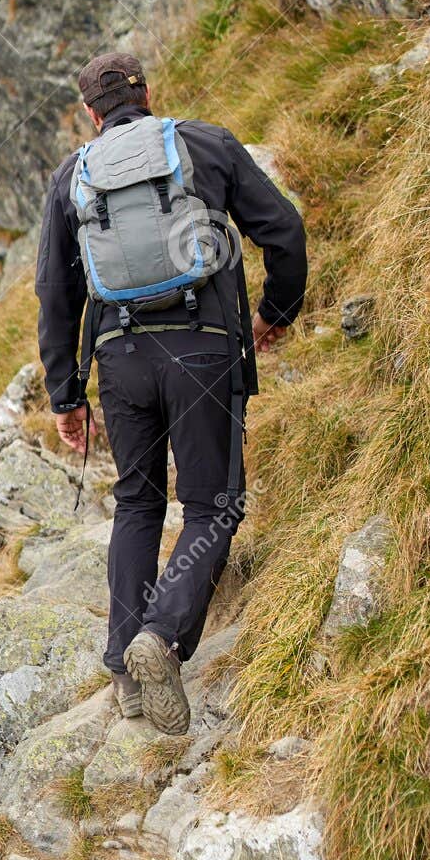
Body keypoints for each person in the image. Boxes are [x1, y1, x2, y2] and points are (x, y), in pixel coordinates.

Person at [35, 51, 307, 734]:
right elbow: (283, 230)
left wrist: (65, 394)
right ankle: (160, 637)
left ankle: (124, 667)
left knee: (136, 503)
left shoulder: (74, 175)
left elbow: (55, 291)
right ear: (146, 95)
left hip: (118, 356)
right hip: (201, 345)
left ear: (91, 114)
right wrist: (276, 310)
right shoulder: (203, 143)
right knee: (211, 505)